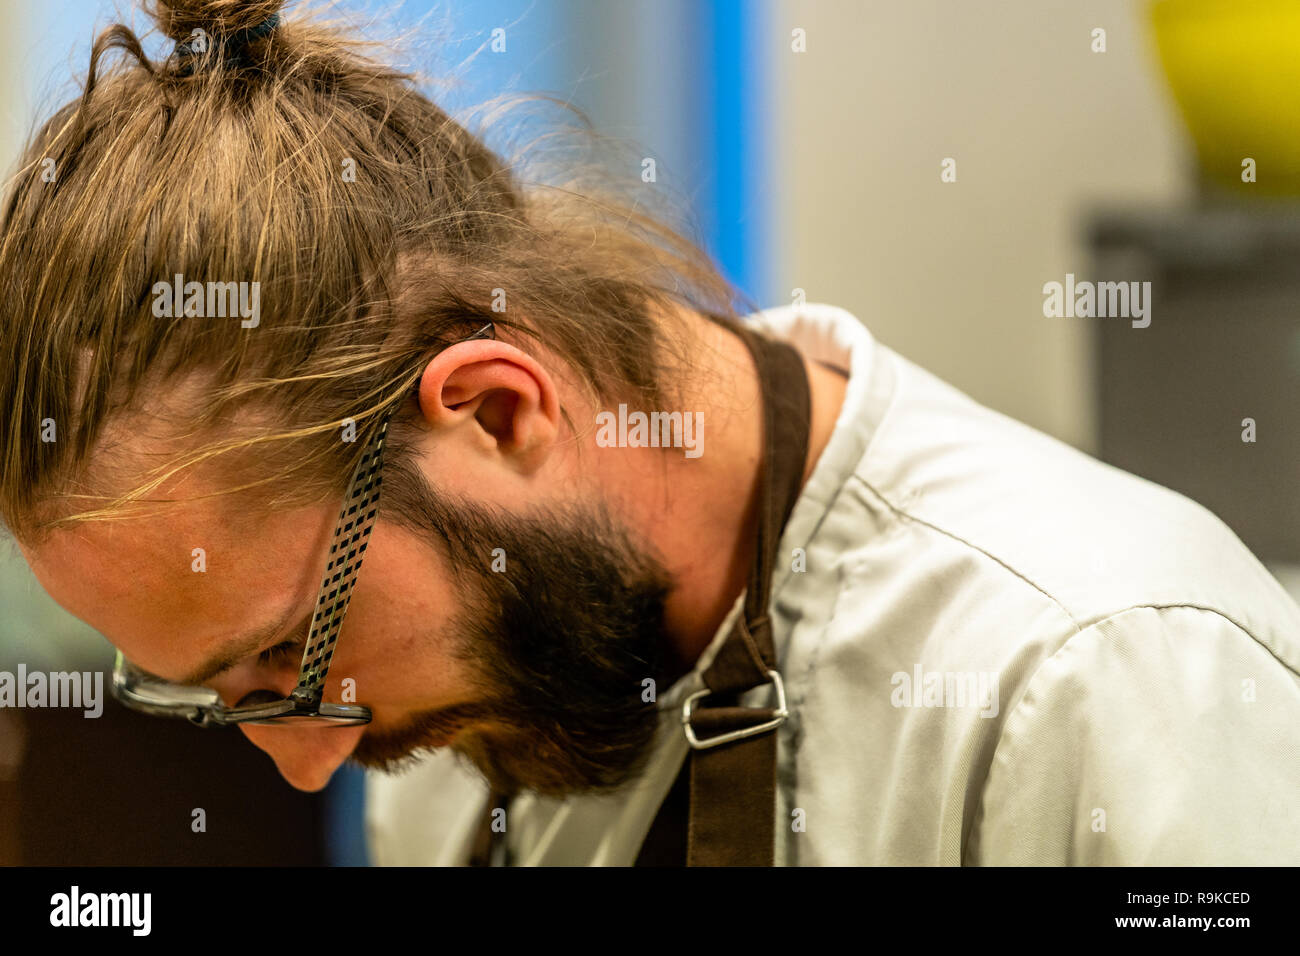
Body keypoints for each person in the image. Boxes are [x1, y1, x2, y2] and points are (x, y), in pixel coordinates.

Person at [2, 0, 1297, 866]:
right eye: (225, 700)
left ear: (499, 412)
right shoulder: (458, 716)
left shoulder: (1113, 676)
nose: (306, 764)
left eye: (290, 653)